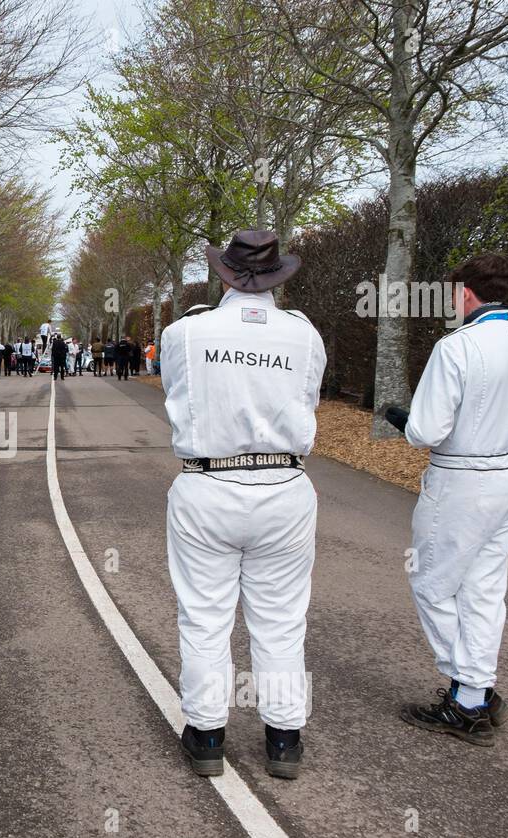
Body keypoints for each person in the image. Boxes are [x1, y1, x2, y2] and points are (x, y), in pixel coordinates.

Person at [163, 229, 325, 780]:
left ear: (225, 276)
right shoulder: (306, 336)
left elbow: (176, 395)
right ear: (277, 279)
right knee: (281, 620)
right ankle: (284, 739)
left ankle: (207, 734)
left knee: (205, 616)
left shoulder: (187, 331)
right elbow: (309, 401)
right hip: (284, 485)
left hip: (208, 483)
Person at [392, 253, 508, 746]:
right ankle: (473, 692)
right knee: (484, 587)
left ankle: (471, 691)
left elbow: (427, 429)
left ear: (465, 293)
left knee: (432, 583)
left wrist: (405, 420)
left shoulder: (458, 347)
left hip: (464, 480)